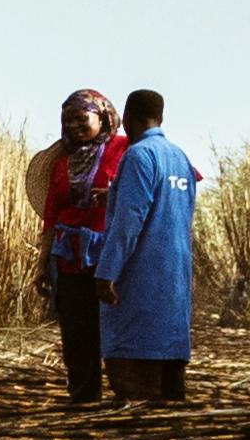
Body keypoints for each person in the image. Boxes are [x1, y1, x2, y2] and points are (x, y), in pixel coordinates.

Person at [89, 84, 207, 405]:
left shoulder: (139, 155)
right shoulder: (180, 158)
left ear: (128, 118)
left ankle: (140, 426)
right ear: (160, 117)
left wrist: (107, 272)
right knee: (168, 351)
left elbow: (130, 220)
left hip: (142, 272)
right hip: (175, 274)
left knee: (132, 345)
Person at [26, 86, 124, 407]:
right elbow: (51, 218)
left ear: (103, 117)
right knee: (75, 330)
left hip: (109, 257)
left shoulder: (124, 151)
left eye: (81, 119)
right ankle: (83, 397)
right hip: (67, 259)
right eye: (67, 121)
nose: (73, 127)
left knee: (112, 327)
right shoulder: (61, 164)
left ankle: (125, 395)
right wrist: (42, 265)